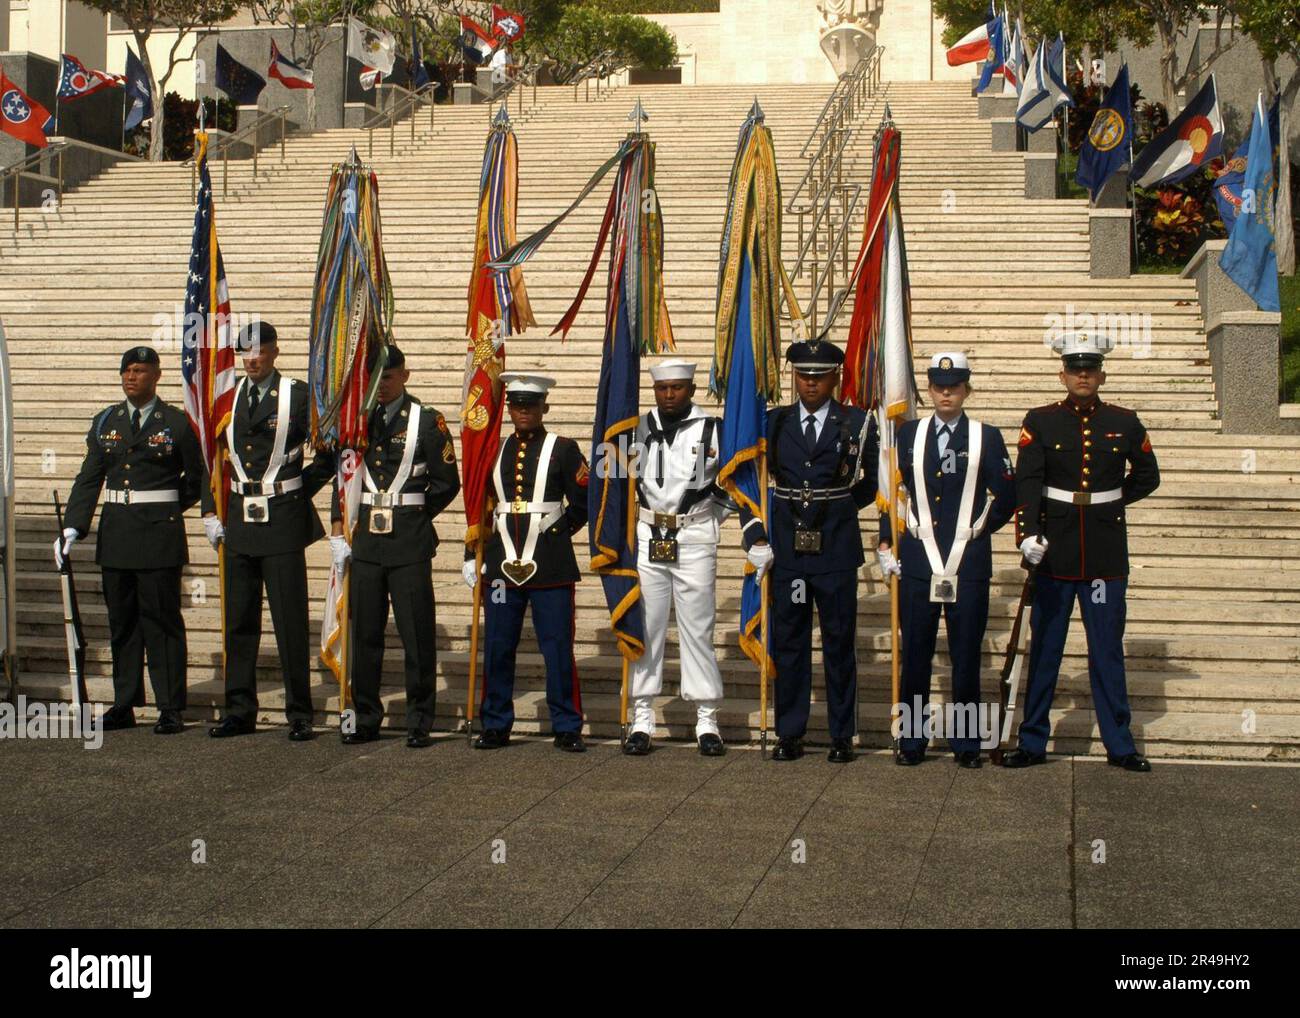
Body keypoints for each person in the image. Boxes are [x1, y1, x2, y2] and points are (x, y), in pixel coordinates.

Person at [1003, 331, 1160, 772]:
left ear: (1102, 375)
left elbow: (1148, 476)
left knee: (1107, 650)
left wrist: (1112, 502)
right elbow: (1029, 482)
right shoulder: (1040, 420)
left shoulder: (1126, 421)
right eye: (1076, 369)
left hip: (1105, 555)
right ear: (1063, 375)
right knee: (1047, 648)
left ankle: (1120, 744)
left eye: (1090, 369)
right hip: (1055, 552)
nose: (1083, 376)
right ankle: (1032, 741)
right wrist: (1027, 533)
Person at [740, 337, 877, 763]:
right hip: (789, 553)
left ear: (836, 377)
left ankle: (841, 734)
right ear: (793, 377)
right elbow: (751, 480)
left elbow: (870, 485)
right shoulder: (772, 422)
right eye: (803, 376)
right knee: (791, 642)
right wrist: (756, 534)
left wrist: (832, 508)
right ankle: (790, 732)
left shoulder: (856, 422)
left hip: (835, 551)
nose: (811, 384)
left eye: (819, 376)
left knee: (838, 641)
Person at [877, 352, 1015, 768]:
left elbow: (1007, 494)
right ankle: (913, 740)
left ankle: (967, 744)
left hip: (967, 562)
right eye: (939, 386)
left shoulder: (985, 437)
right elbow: (893, 494)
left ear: (966, 390)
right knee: (916, 654)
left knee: (966, 656)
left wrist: (978, 531)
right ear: (930, 390)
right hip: (918, 561)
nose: (947, 393)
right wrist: (887, 542)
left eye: (954, 386)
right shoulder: (908, 435)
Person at [60, 346, 203, 734]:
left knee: (162, 623)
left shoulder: (176, 423)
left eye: (139, 370)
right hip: (117, 535)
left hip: (158, 536)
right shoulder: (106, 420)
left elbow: (196, 479)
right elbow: (89, 477)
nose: (131, 376)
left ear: (156, 375)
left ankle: (170, 706)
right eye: (126, 370)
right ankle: (124, 702)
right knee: (122, 624)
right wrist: (73, 525)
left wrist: (166, 509)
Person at [202, 321, 334, 742]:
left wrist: (296, 491)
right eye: (246, 353)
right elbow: (214, 457)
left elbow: (327, 453)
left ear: (276, 350)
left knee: (289, 620)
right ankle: (239, 709)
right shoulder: (227, 396)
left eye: (259, 351)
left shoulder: (296, 394)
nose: (252, 360)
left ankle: (299, 712)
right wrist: (211, 510)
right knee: (239, 621)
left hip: (281, 517)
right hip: (240, 516)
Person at [330, 344, 460, 749]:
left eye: (387, 376)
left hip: (408, 542)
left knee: (416, 634)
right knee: (364, 635)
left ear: (404, 375)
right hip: (366, 541)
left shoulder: (427, 420)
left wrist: (413, 516)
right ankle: (364, 716)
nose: (380, 385)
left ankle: (419, 720)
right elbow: (344, 477)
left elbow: (446, 482)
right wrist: (340, 531)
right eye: (373, 377)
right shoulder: (357, 419)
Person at [465, 373, 590, 752]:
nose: (523, 412)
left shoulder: (564, 449)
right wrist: (473, 553)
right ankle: (496, 723)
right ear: (509, 409)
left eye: (530, 405)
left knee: (556, 646)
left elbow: (584, 502)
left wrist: (556, 533)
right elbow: (481, 505)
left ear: (544, 408)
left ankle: (567, 724)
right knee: (499, 644)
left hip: (550, 569)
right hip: (502, 570)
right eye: (517, 405)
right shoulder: (492, 450)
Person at [625, 359, 730, 757]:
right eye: (662, 388)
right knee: (647, 628)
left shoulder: (713, 428)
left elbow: (734, 480)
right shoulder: (632, 429)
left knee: (697, 627)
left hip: (694, 536)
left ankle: (707, 719)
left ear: (690, 390)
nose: (669, 395)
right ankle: (642, 717)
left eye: (677, 388)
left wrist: (709, 518)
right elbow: (613, 481)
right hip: (649, 534)